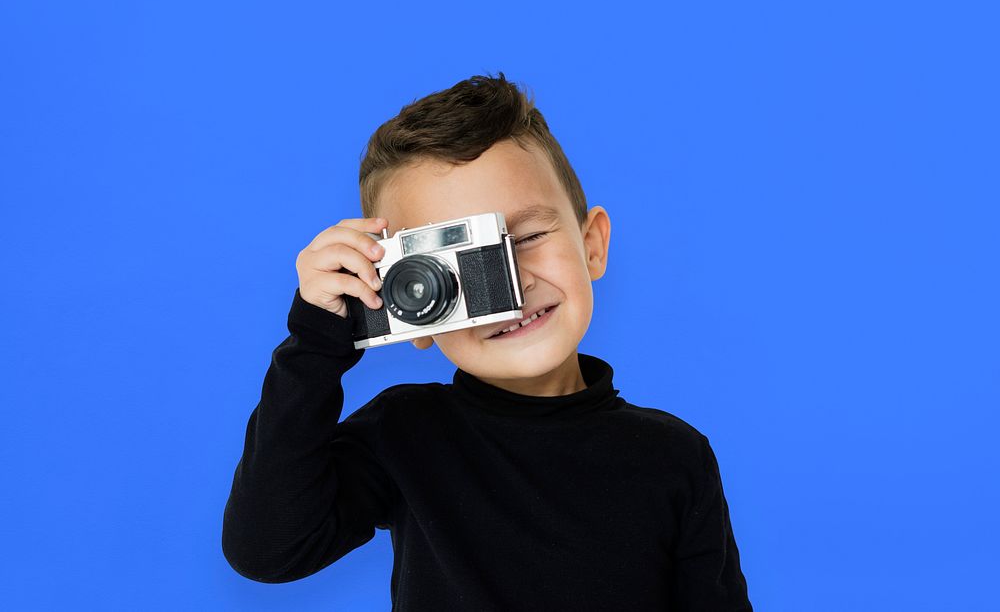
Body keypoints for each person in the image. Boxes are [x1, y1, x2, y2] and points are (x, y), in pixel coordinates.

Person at [221, 72, 753, 610]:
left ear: (592, 245)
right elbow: (267, 549)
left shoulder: (674, 456)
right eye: (454, 269)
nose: (512, 285)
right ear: (407, 304)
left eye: (527, 237)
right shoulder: (405, 433)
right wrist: (316, 341)